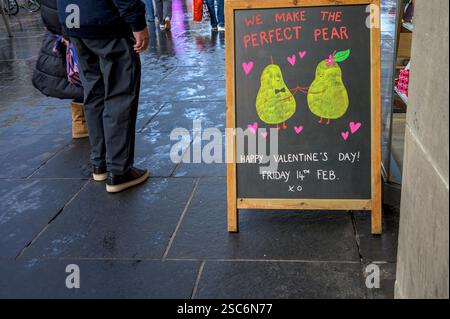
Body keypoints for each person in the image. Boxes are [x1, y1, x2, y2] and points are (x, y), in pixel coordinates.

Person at [57, 0, 150, 193]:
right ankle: (119, 170)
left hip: (74, 21)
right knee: (120, 94)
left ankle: (100, 163)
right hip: (106, 21)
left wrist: (64, 25)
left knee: (93, 93)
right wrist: (137, 23)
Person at [32, 0, 88, 139]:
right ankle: (83, 122)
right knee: (82, 75)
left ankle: (80, 122)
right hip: (73, 27)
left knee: (75, 76)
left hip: (60, 26)